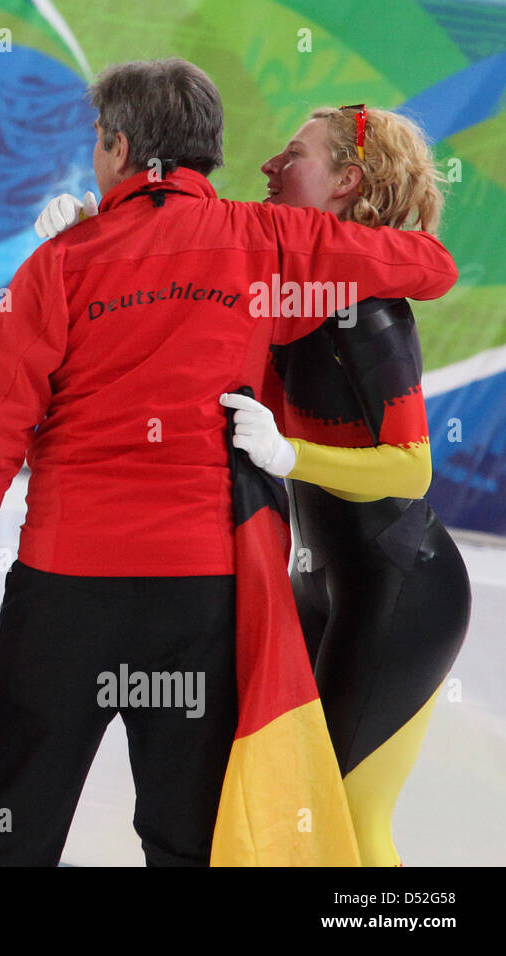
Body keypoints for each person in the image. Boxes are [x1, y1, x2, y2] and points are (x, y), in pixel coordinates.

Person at [0, 59, 458, 866]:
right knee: (189, 846)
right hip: (202, 598)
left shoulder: (57, 266)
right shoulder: (269, 239)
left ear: (118, 147)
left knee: (2, 836)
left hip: (65, 591)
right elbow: (431, 267)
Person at [218, 105, 470, 866]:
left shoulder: (367, 308)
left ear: (346, 182)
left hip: (402, 589)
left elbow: (411, 466)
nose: (268, 166)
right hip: (328, 581)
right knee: (308, 817)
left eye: (292, 154)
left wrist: (290, 455)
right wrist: (91, 233)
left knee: (346, 826)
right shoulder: (293, 292)